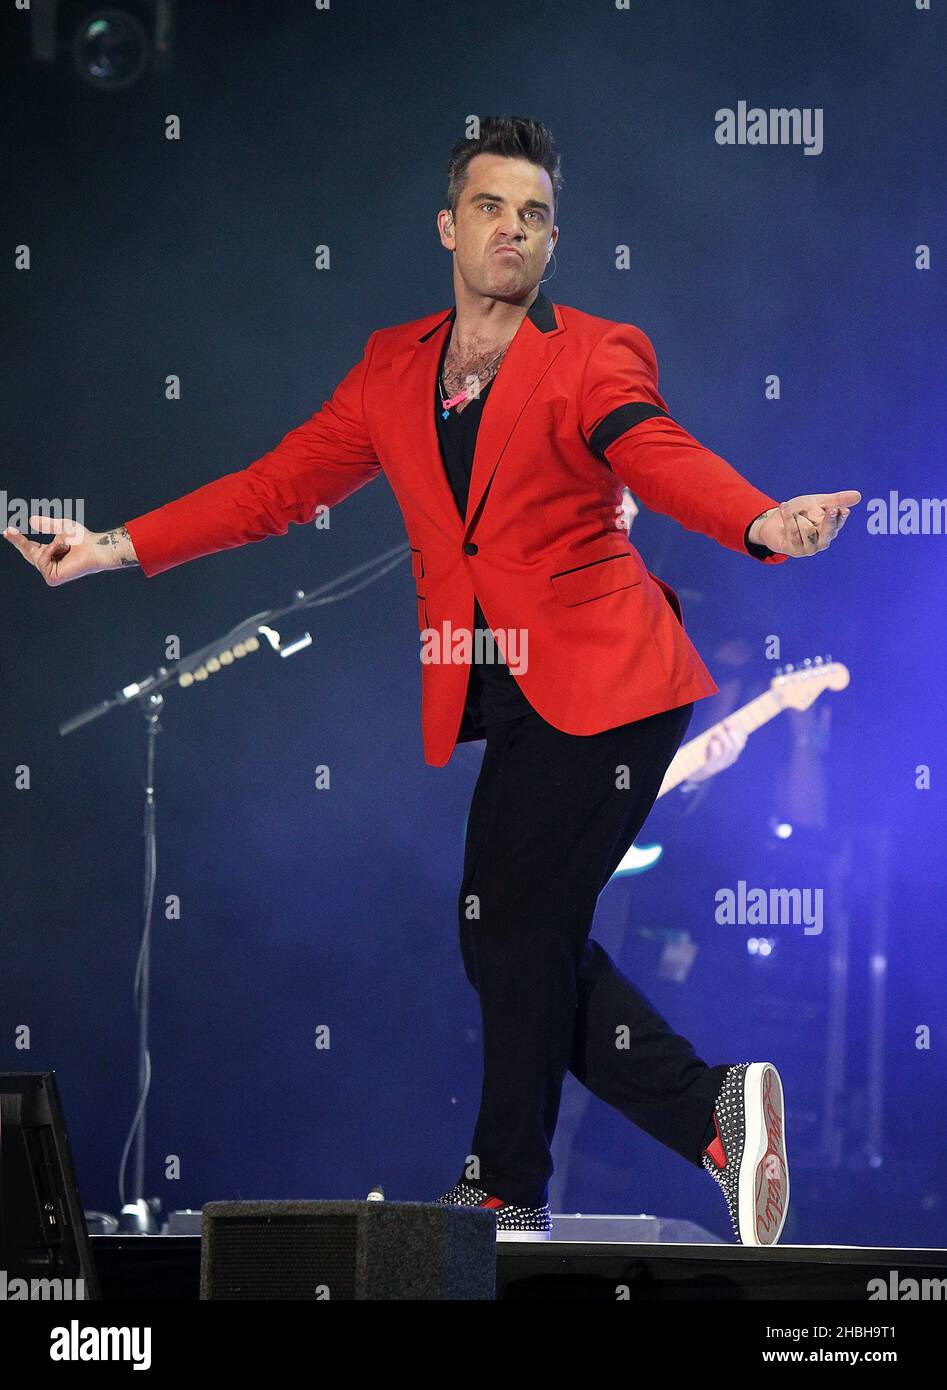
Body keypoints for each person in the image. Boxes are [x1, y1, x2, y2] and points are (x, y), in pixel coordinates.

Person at [4, 116, 858, 1245]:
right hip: (503, 695)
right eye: (492, 208)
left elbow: (654, 451)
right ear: (449, 226)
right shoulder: (391, 370)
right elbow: (275, 487)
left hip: (614, 677)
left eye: (536, 215)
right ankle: (708, 1110)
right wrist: (113, 544)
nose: (514, 229)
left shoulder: (593, 353)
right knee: (503, 936)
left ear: (554, 243)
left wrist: (755, 517)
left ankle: (506, 1187)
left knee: (511, 928)